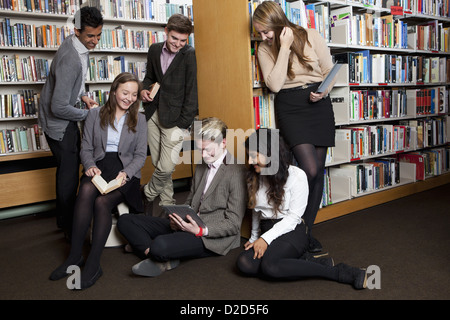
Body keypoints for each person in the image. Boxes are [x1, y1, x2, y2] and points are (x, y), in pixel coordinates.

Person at [49, 72, 148, 289]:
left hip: (124, 170)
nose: (129, 98)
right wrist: (90, 165)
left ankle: (94, 263)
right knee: (84, 192)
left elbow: (141, 155)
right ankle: (75, 256)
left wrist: (127, 173)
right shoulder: (94, 115)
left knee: (102, 202)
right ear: (114, 91)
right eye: (125, 92)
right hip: (99, 165)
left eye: (133, 94)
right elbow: (85, 148)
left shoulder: (140, 119)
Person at [236, 128, 368, 289]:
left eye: (254, 155)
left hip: (292, 231)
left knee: (270, 266)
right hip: (267, 229)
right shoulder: (253, 177)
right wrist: (255, 237)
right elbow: (256, 211)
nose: (250, 161)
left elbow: (293, 217)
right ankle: (305, 261)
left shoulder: (297, 176)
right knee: (244, 263)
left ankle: (339, 272)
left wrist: (265, 239)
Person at [252, 1, 336, 252]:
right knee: (308, 169)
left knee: (318, 170)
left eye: (267, 31)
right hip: (290, 106)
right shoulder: (265, 50)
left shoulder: (311, 35)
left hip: (318, 102)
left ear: (278, 22)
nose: (264, 37)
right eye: (260, 32)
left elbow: (328, 70)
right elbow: (275, 85)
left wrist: (323, 92)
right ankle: (296, 227)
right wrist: (284, 47)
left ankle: (305, 232)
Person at [117, 117, 247, 277]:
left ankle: (152, 250)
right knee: (126, 221)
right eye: (200, 149)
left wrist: (200, 230)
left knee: (160, 245)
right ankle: (159, 255)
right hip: (188, 224)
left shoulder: (237, 172)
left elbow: (233, 224)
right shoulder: (202, 165)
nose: (204, 155)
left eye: (208, 149)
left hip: (208, 235)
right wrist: (178, 219)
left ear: (224, 142)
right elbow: (190, 201)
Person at [38, 6, 104, 237]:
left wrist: (83, 96)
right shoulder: (71, 59)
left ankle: (66, 220)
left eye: (98, 35)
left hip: (58, 119)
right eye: (90, 36)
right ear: (76, 30)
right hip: (57, 123)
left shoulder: (75, 44)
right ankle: (68, 228)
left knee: (70, 168)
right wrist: (89, 115)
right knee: (67, 174)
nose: (95, 41)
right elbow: (58, 107)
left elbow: (76, 82)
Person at [140, 13, 198, 214]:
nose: (178, 44)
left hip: (175, 120)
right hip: (153, 114)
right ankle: (168, 206)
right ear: (166, 31)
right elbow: (149, 77)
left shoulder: (188, 54)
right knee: (158, 163)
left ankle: (145, 194)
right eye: (174, 38)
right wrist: (143, 91)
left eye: (183, 40)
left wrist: (183, 124)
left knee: (166, 167)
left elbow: (192, 92)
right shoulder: (154, 49)